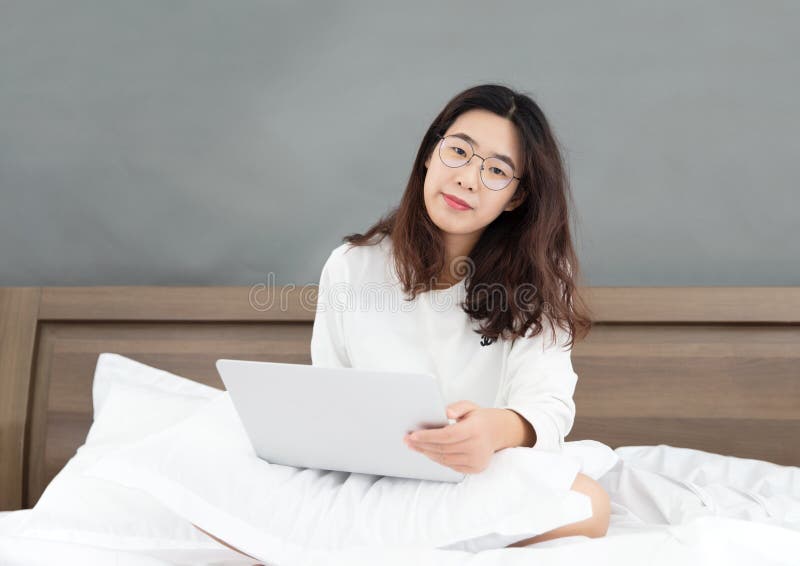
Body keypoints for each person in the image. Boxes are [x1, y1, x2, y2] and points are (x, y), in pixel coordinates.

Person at [310, 83, 610, 546]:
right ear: (430, 154)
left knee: (589, 504)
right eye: (458, 152)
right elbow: (328, 395)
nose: (468, 179)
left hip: (481, 477)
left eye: (495, 170)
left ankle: (381, 540)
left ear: (515, 197)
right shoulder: (352, 266)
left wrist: (494, 430)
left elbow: (548, 407)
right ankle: (409, 536)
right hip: (373, 478)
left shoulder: (541, 277)